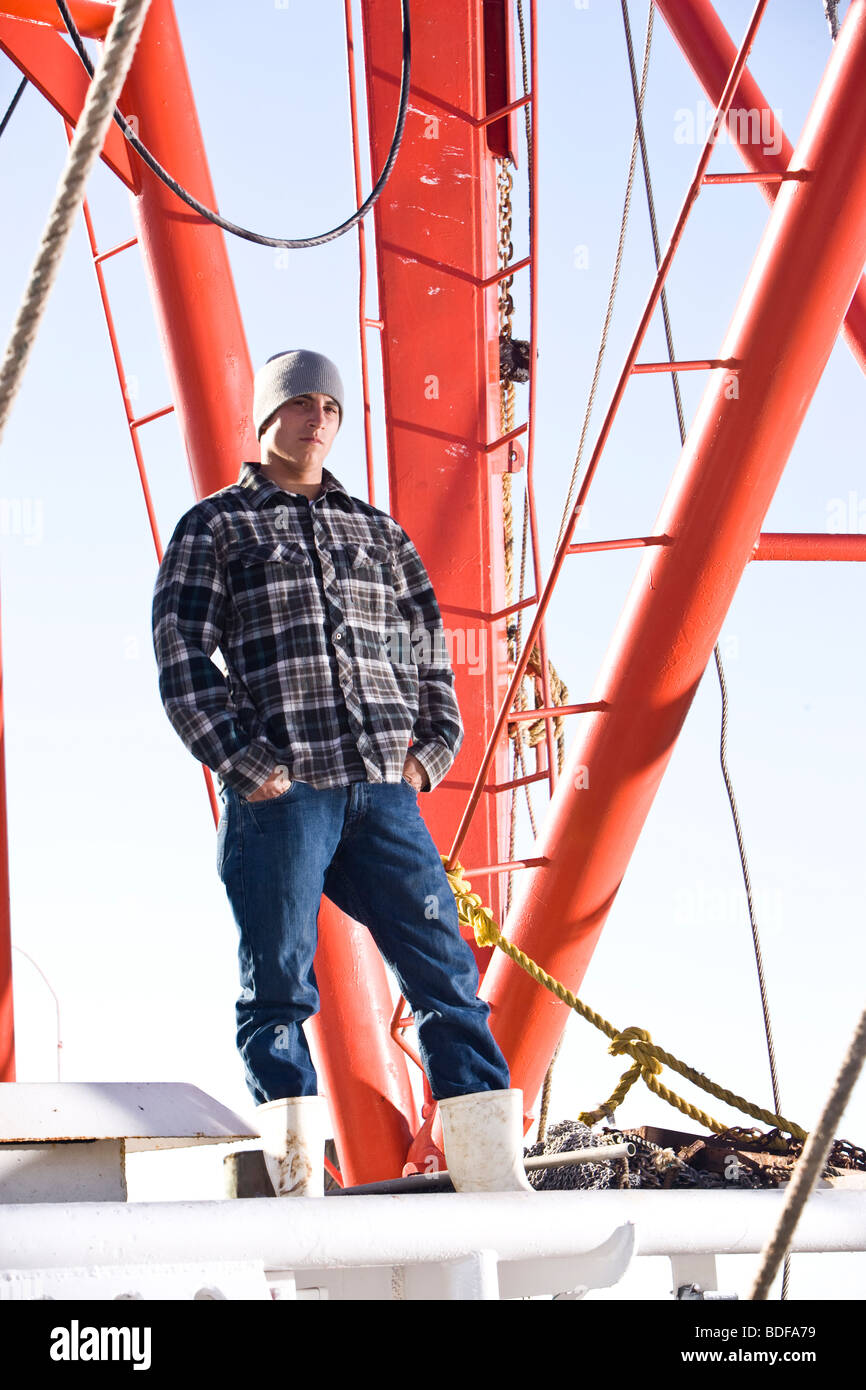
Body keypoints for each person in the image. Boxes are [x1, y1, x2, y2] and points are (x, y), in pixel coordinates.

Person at [151, 349, 530, 1195]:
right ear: (267, 419)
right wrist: (252, 768)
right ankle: (296, 1188)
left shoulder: (378, 532)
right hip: (285, 798)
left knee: (446, 973)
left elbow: (431, 650)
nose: (318, 420)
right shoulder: (217, 526)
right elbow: (181, 659)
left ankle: (491, 1174)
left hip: (383, 794)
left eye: (330, 407)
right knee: (279, 985)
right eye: (301, 405)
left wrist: (428, 755)